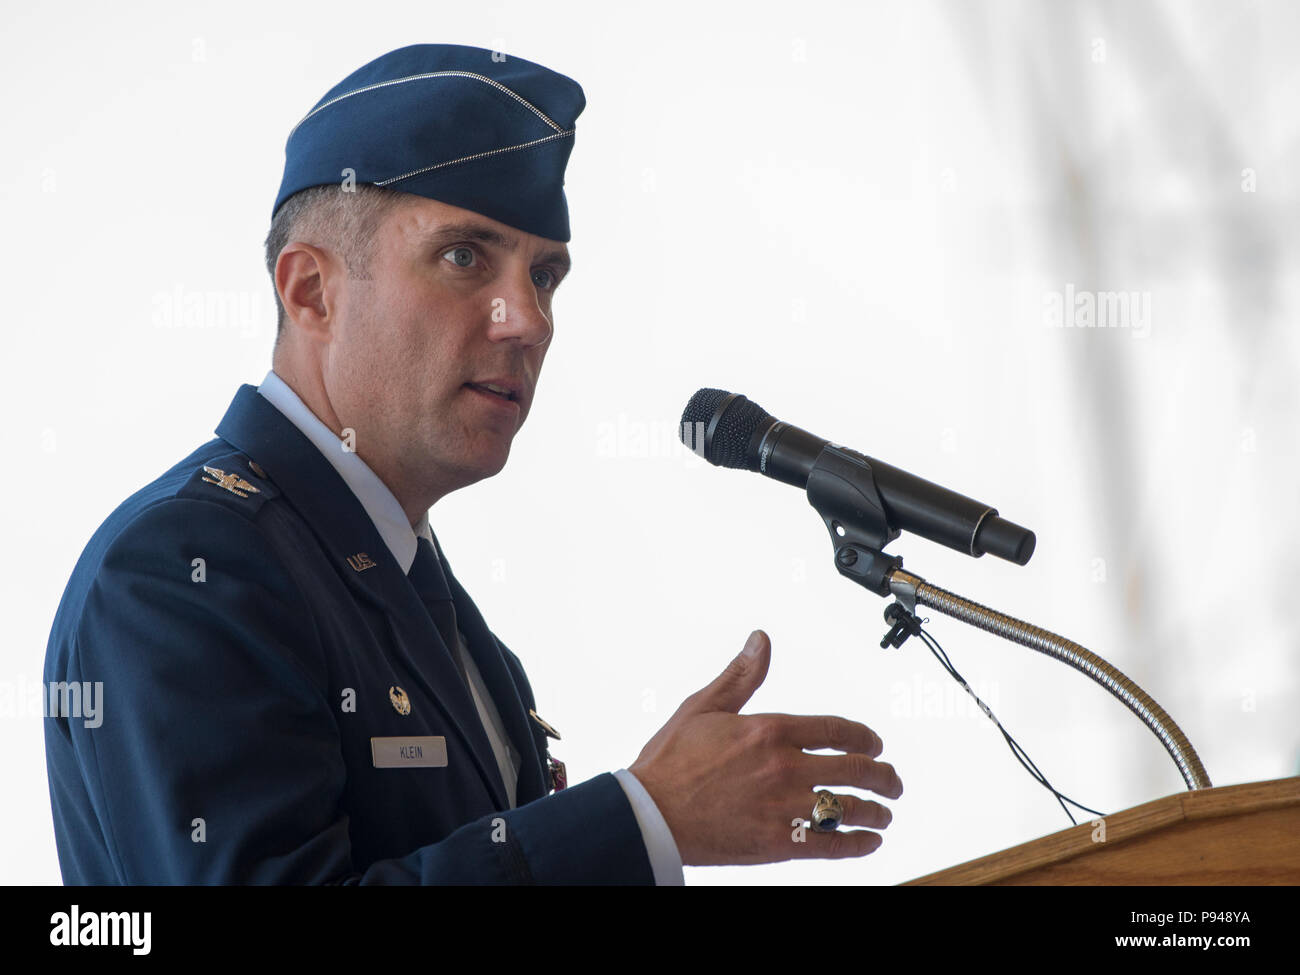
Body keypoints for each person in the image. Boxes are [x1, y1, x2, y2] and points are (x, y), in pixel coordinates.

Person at [42, 43, 902, 884]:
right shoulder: (183, 570)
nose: (528, 318)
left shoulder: (410, 581)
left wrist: (646, 819)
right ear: (311, 292)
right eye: (464, 257)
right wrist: (642, 821)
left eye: (547, 275)